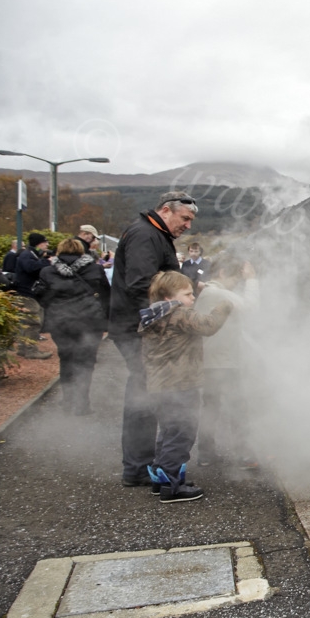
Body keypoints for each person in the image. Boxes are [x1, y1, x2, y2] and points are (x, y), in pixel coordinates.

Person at [109, 191, 198, 488]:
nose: (187, 225)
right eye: (185, 218)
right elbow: (142, 286)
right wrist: (176, 315)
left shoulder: (152, 234)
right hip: (137, 329)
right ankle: (139, 467)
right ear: (165, 211)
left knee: (145, 392)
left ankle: (141, 465)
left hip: (137, 327)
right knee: (145, 395)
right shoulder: (145, 235)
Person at [138, 270, 233, 503]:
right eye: (187, 294)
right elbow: (209, 325)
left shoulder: (153, 316)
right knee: (182, 433)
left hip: (160, 385)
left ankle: (161, 478)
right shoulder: (179, 313)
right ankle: (171, 486)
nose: (192, 298)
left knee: (168, 431)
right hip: (181, 385)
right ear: (169, 297)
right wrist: (226, 304)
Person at [194, 258, 258, 467]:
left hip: (214, 359)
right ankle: (244, 454)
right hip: (222, 361)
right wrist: (251, 279)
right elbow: (250, 307)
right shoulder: (216, 293)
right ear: (222, 273)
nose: (236, 283)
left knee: (211, 406)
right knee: (237, 406)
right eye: (235, 279)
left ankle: (206, 453)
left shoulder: (209, 291)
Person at [37, 238, 111, 415]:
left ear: (59, 251)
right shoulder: (95, 269)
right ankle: (82, 404)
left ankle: (68, 401)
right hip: (90, 322)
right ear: (81, 252)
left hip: (61, 322)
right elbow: (106, 295)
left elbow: (42, 296)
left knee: (66, 360)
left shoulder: (47, 271)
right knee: (86, 362)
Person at [12, 233, 54, 360]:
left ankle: (23, 348)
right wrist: (47, 262)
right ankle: (31, 350)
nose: (47, 245)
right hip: (26, 293)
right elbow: (31, 268)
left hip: (29, 293)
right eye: (45, 242)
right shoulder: (27, 255)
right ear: (38, 244)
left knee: (27, 322)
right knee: (34, 322)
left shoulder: (31, 254)